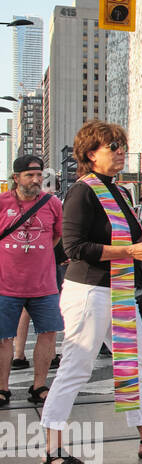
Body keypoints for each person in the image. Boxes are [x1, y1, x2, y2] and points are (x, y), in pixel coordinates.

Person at [39, 121, 142, 464]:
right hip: (89, 292)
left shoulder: (116, 191)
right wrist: (130, 252)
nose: (120, 152)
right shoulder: (83, 191)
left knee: (138, 365)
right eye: (112, 146)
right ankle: (51, 449)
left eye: (121, 145)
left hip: (117, 291)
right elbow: (74, 247)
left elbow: (125, 241)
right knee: (76, 367)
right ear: (91, 154)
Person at [1, 154, 64, 407]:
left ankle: (39, 385)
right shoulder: (2, 202)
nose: (36, 179)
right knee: (3, 337)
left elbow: (56, 237)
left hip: (44, 284)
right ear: (16, 178)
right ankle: (2, 388)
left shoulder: (52, 203)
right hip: (6, 284)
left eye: (39, 175)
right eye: (30, 175)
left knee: (48, 334)